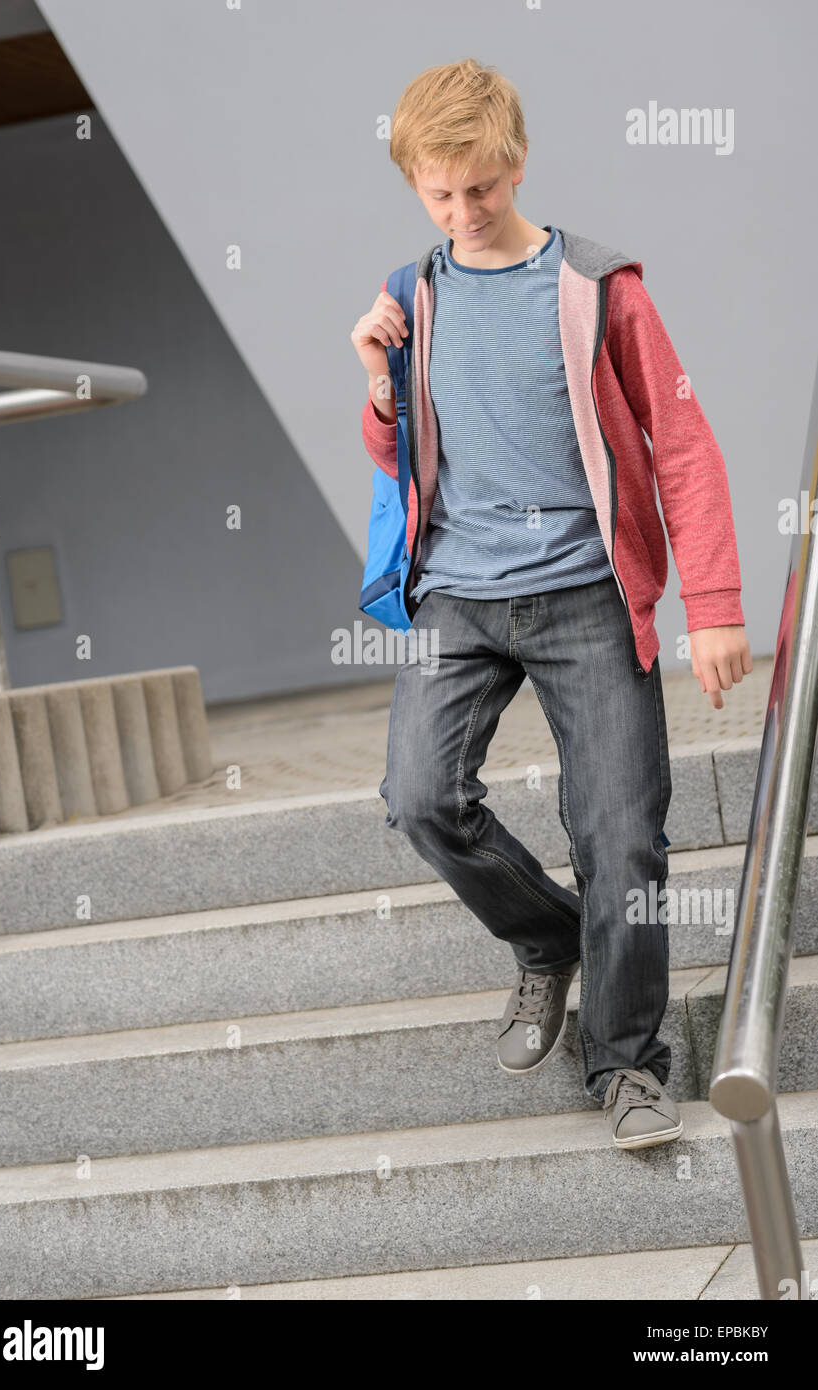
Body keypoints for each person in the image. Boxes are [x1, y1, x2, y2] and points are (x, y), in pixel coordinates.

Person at [350, 58, 752, 1148]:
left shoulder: (597, 284)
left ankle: (627, 1064)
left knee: (621, 832)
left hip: (584, 590)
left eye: (479, 187)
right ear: (416, 185)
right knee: (421, 795)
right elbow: (402, 459)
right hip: (460, 598)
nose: (462, 210)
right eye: (439, 192)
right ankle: (550, 938)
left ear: (516, 163)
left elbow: (685, 446)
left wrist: (711, 600)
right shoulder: (413, 292)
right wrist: (380, 388)